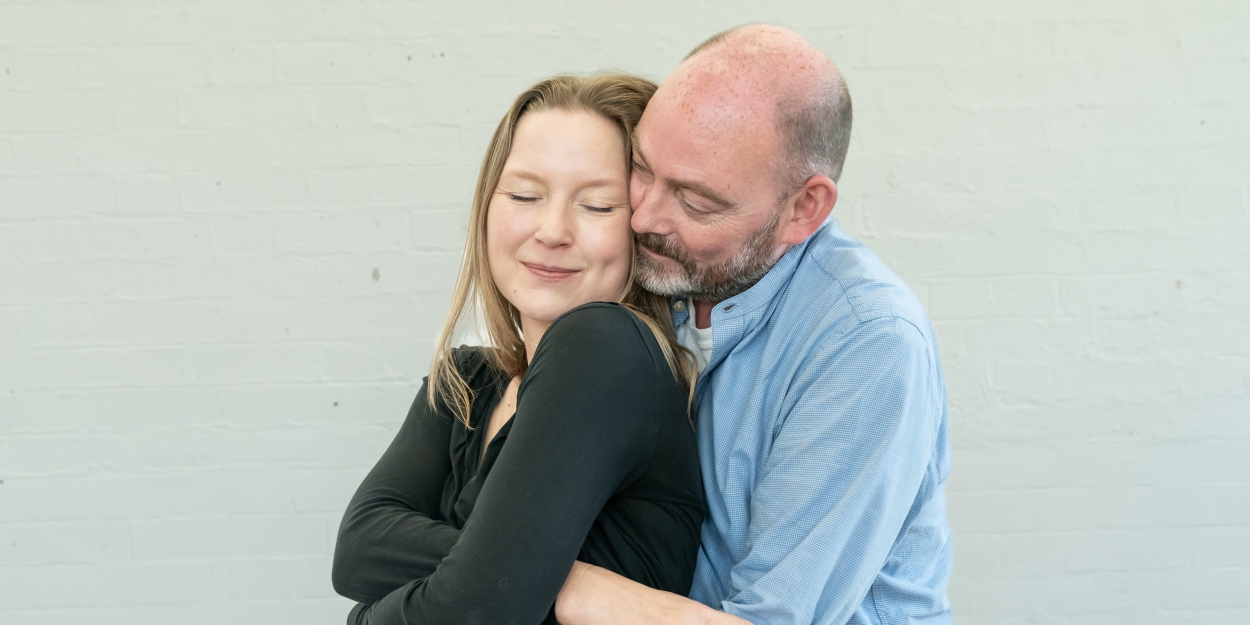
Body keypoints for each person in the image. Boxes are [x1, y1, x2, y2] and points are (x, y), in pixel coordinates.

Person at [552, 25, 953, 625]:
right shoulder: (662, 275)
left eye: (696, 202)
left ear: (804, 209)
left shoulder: (866, 340)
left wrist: (549, 577)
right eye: (640, 167)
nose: (643, 215)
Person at [331, 74, 704, 625]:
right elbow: (357, 549)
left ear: (642, 228)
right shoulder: (464, 382)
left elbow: (478, 607)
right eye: (526, 195)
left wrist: (367, 618)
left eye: (598, 206)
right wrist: (580, 585)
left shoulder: (608, 348)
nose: (552, 230)